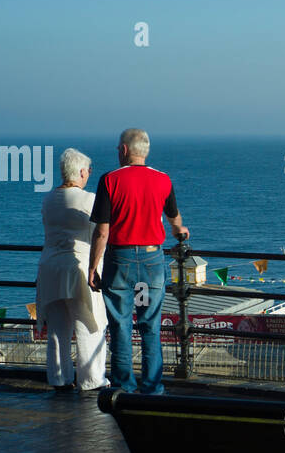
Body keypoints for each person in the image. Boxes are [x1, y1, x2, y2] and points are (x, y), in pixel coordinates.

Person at [87, 128, 189, 395]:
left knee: (121, 324)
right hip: (152, 260)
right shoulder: (163, 180)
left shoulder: (109, 180)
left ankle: (124, 388)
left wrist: (92, 267)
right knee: (150, 324)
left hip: (120, 259)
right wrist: (180, 232)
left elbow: (102, 231)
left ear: (123, 150)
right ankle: (153, 387)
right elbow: (175, 220)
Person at [35, 148, 109, 393]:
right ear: (80, 172)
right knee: (90, 324)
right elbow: (102, 231)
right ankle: (91, 379)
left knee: (57, 328)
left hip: (50, 268)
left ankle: (59, 378)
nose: (89, 174)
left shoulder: (47, 200)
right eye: (88, 170)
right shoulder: (89, 199)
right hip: (79, 267)